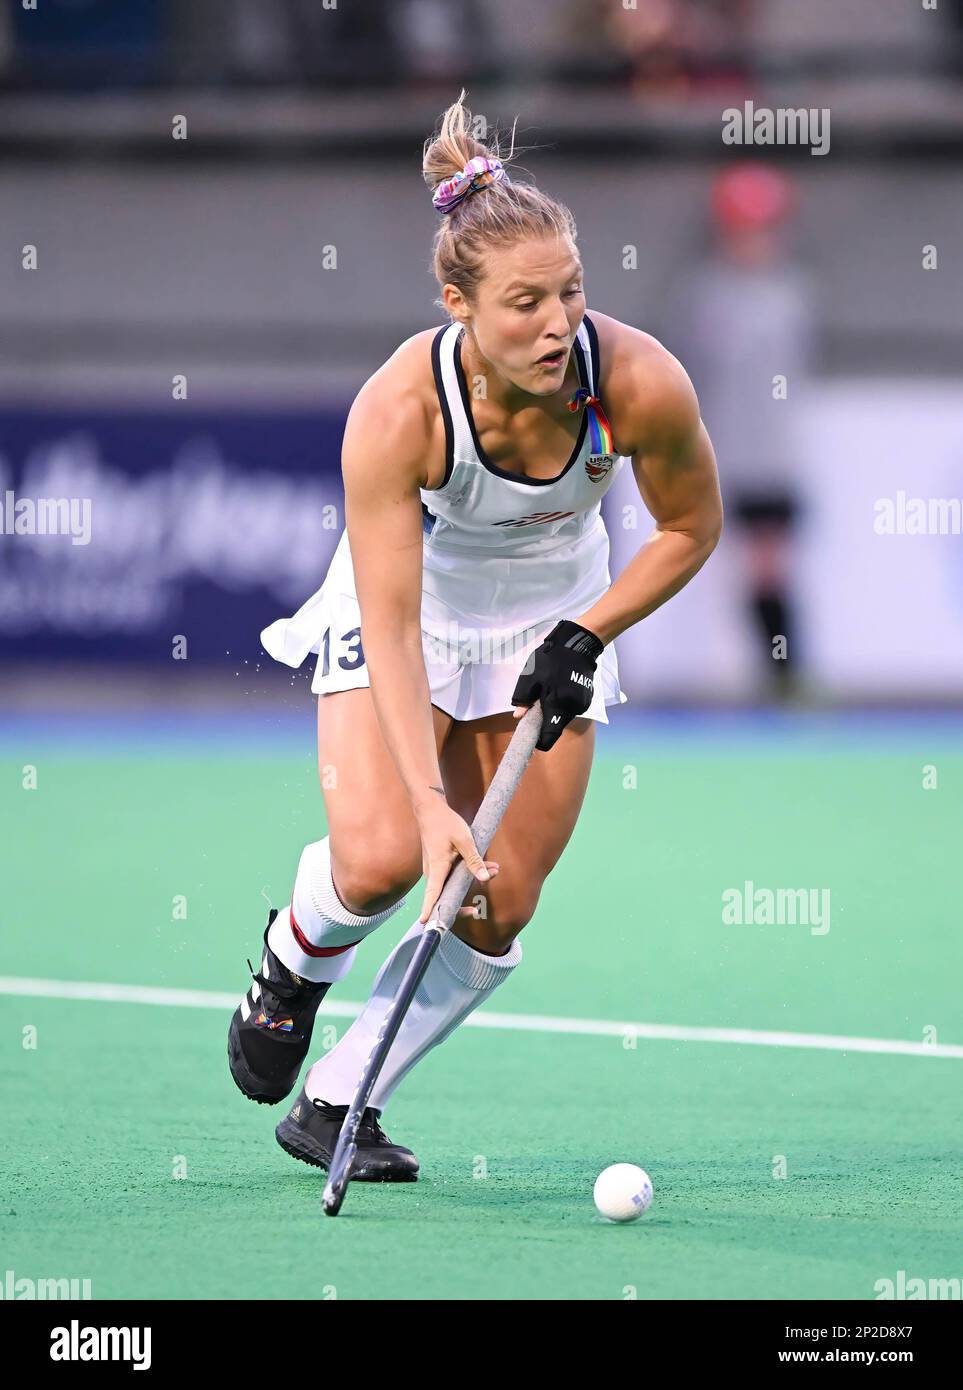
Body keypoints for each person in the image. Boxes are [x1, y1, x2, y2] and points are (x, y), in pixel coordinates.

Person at [227, 92, 723, 1181]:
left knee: (501, 900)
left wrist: (587, 628)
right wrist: (429, 801)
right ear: (457, 303)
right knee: (385, 861)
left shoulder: (634, 381)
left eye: (572, 292)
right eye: (522, 303)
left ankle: (341, 1097)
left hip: (553, 618)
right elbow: (395, 628)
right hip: (411, 615)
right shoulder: (400, 410)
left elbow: (693, 525)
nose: (557, 324)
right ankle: (292, 959)